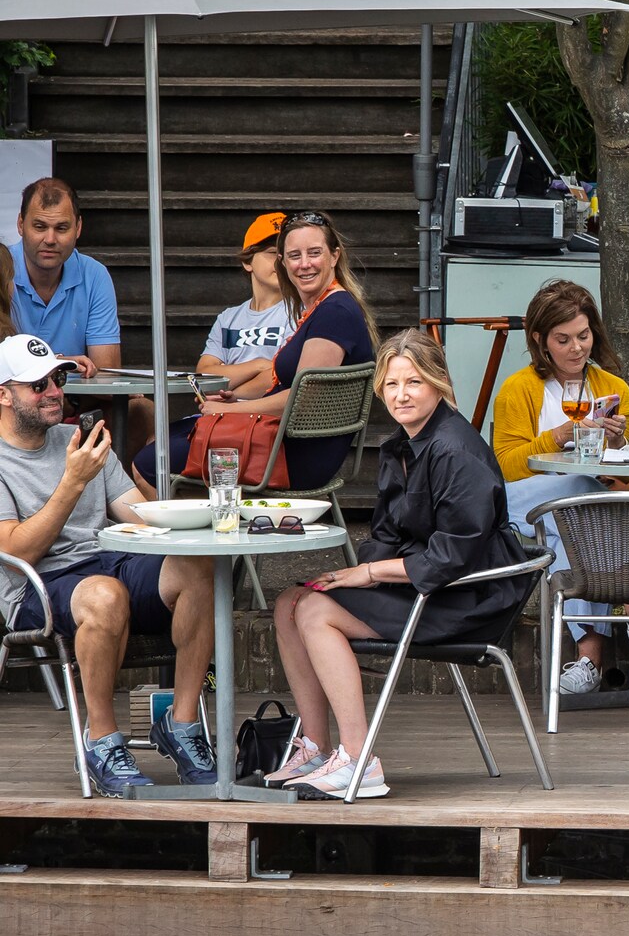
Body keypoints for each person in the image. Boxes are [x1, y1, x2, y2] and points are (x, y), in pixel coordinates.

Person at [262, 330, 537, 800]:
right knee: (290, 601)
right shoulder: (401, 446)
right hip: (421, 587)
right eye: (391, 384)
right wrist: (357, 576)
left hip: (466, 598)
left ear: (438, 383)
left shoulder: (456, 451)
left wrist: (369, 574)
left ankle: (358, 760)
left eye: (414, 382)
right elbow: (387, 534)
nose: (401, 395)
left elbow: (453, 556)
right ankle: (316, 748)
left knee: (313, 611)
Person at [0, 333, 215, 794]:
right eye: (38, 385)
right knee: (104, 594)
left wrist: (201, 519)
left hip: (108, 561)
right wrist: (72, 483)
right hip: (36, 585)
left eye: (58, 380)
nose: (54, 392)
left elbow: (137, 516)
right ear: (4, 394)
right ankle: (101, 741)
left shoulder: (79, 440)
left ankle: (181, 725)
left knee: (199, 566)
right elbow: (17, 553)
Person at [138, 210, 377, 492]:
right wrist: (237, 398)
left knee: (150, 463)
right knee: (163, 439)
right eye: (294, 256)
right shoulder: (323, 308)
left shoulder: (334, 312)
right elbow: (290, 386)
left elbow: (304, 398)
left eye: (314, 253)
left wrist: (232, 411)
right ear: (283, 263)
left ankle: (195, 522)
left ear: (334, 256)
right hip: (281, 442)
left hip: (290, 456)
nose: (304, 264)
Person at [490, 279, 629, 699]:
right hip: (522, 497)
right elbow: (506, 466)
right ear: (540, 340)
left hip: (579, 507)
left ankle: (588, 662)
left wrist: (618, 442)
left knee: (574, 519)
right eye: (563, 339)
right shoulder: (518, 389)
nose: (577, 348)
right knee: (580, 496)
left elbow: (624, 466)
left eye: (583, 336)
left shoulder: (613, 388)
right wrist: (557, 436)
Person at [10, 179, 120, 373]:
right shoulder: (3, 269)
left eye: (61, 228)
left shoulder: (94, 275)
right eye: (40, 227)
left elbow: (106, 373)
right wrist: (57, 363)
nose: (50, 239)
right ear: (20, 224)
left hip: (73, 392)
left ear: (78, 228)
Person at [197, 212, 294, 393]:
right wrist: (259, 365)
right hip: (222, 409)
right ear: (247, 262)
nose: (282, 262)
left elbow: (284, 376)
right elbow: (204, 376)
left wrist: (231, 394)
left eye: (289, 254)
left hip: (268, 410)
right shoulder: (228, 318)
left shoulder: (301, 313)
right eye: (273, 253)